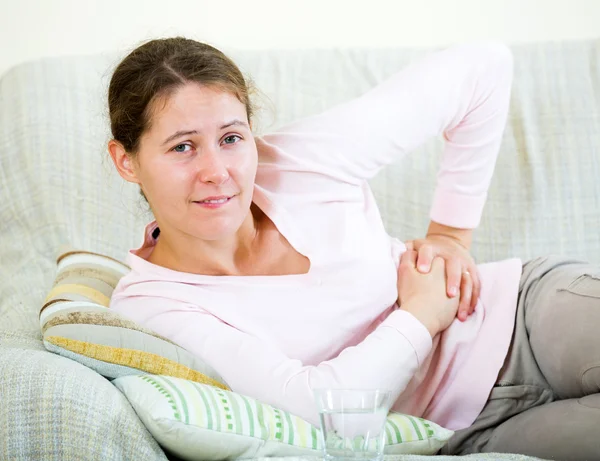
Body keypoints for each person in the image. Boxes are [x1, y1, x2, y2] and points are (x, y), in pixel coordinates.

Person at [107, 37, 600, 460]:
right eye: (182, 147)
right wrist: (421, 317)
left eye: (232, 138)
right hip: (468, 432)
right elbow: (327, 415)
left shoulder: (302, 161)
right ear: (126, 161)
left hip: (521, 317)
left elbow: (484, 66)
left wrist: (451, 235)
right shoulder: (153, 303)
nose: (218, 171)